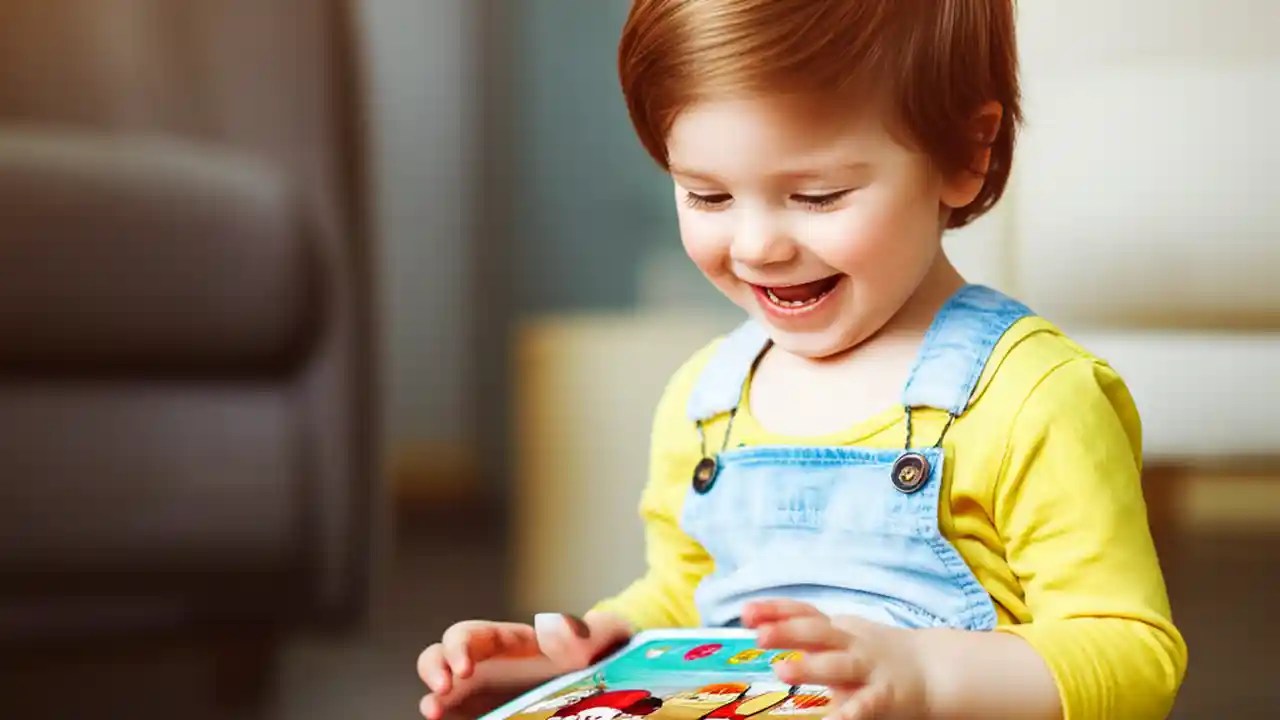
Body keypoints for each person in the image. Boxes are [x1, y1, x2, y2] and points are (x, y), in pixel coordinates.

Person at [418, 1, 1188, 718]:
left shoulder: (1030, 397)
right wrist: (594, 652)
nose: (757, 246)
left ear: (964, 152)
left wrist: (923, 675)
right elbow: (689, 598)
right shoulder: (707, 400)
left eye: (817, 196)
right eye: (708, 196)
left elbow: (1131, 651)